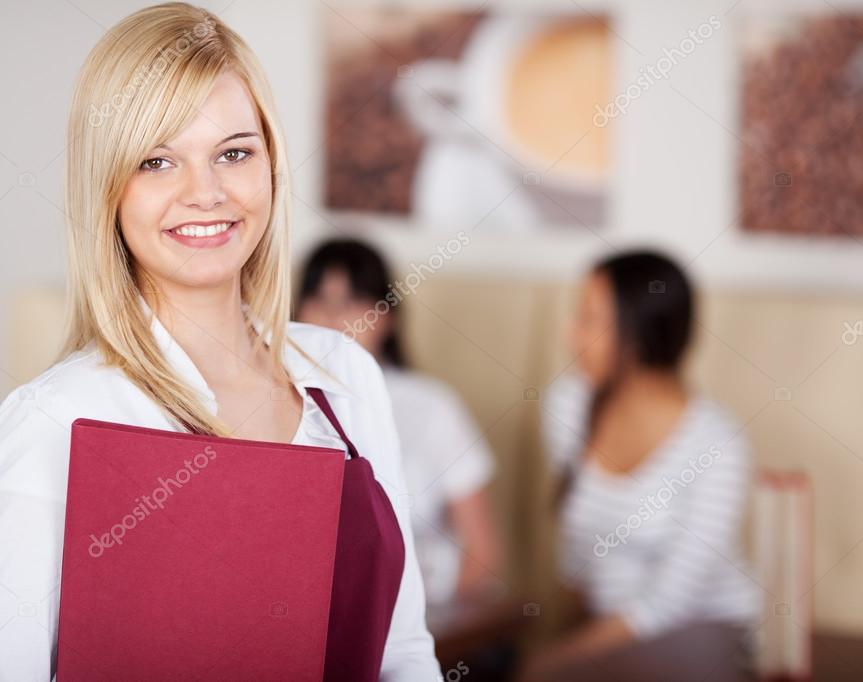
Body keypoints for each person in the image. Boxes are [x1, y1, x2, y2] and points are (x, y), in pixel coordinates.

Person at [0, 4, 440, 680]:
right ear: (106, 188)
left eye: (233, 152)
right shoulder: (59, 416)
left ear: (270, 165)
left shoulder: (345, 373)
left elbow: (402, 653)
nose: (206, 192)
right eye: (157, 160)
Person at [524, 250, 760, 679]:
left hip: (707, 634)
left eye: (588, 319)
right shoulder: (567, 404)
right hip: (613, 638)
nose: (570, 332)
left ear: (639, 334)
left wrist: (557, 660)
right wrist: (557, 641)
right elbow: (575, 555)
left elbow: (669, 603)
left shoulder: (718, 443)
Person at [296, 239, 505, 606]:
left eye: (350, 304)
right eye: (320, 302)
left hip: (424, 609)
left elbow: (483, 557)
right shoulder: (279, 402)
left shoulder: (432, 406)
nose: (333, 320)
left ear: (387, 317)